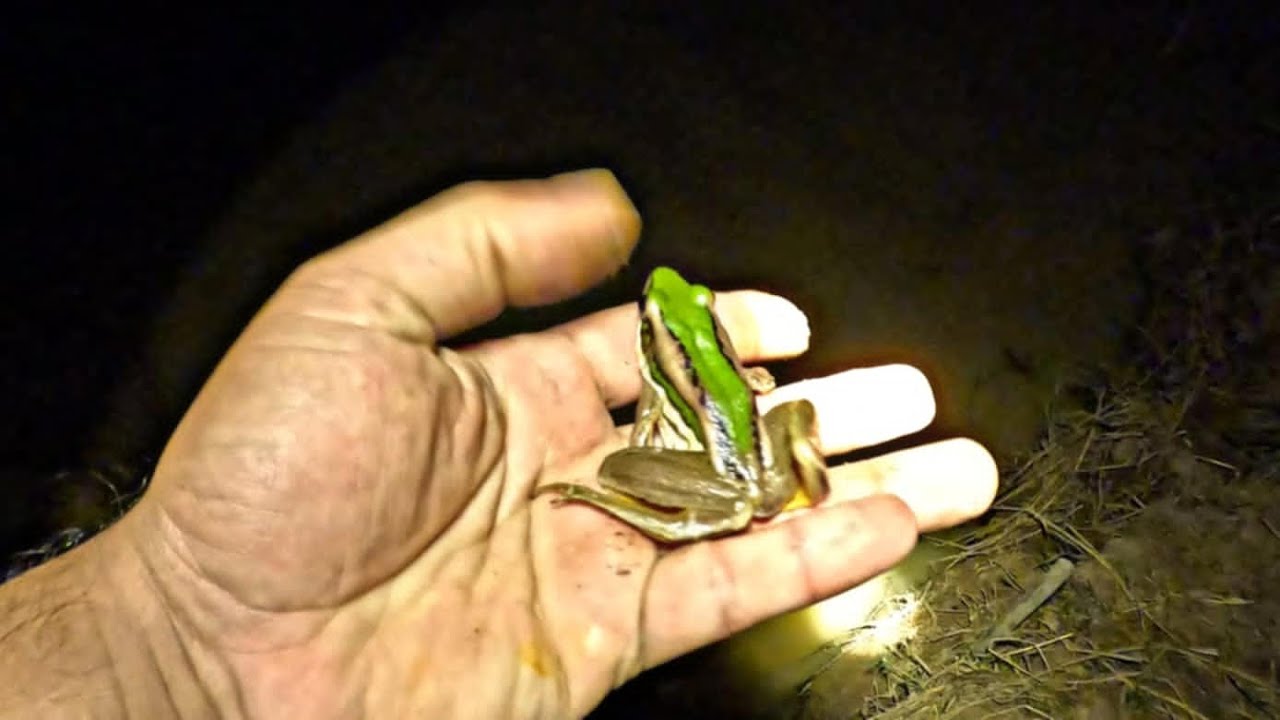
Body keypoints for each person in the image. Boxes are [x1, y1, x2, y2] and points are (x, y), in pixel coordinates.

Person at [0, 169, 997, 719]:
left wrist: (145, 635)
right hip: (745, 456)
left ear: (663, 344)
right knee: (741, 422)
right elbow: (697, 395)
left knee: (635, 461)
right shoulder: (693, 365)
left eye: (668, 320)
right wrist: (152, 630)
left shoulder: (666, 360)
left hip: (713, 472)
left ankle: (648, 493)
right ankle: (763, 472)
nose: (663, 316)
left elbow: (668, 406)